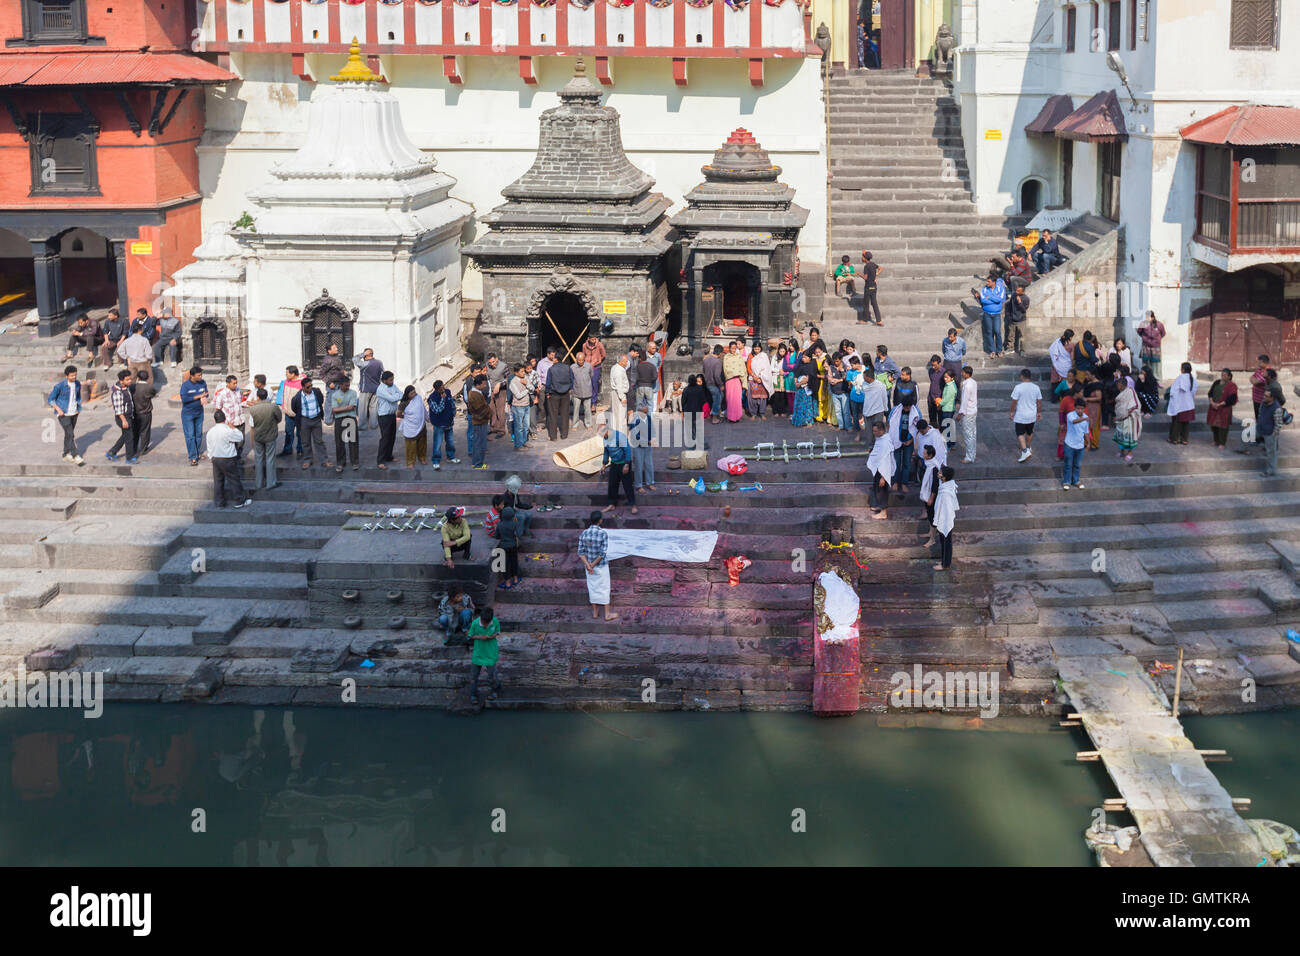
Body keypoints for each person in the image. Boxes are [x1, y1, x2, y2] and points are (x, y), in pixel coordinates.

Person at [579, 511, 619, 622]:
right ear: (600, 520)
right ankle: (607, 614)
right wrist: (592, 565)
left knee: (592, 588)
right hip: (600, 566)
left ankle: (595, 612)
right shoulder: (602, 534)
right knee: (604, 588)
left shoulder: (584, 533)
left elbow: (580, 552)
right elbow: (602, 553)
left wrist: (588, 565)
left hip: (589, 567)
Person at [207, 408, 250, 509]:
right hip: (227, 458)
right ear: (225, 419)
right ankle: (239, 500)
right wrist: (233, 428)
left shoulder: (210, 431)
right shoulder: (227, 430)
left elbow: (209, 446)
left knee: (218, 481)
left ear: (214, 420)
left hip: (215, 458)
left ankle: (219, 502)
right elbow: (240, 437)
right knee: (233, 479)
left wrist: (211, 456)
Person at [48, 365, 85, 465]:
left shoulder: (77, 384)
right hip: (63, 413)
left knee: (68, 434)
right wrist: (58, 409)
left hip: (74, 413)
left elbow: (77, 396)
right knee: (70, 434)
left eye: (75, 375)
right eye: (72, 376)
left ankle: (65, 454)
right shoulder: (59, 386)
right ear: (67, 376)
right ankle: (76, 455)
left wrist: (78, 408)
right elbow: (50, 399)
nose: (74, 377)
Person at [291, 375, 329, 470]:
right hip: (304, 420)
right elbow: (294, 407)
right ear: (303, 387)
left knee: (319, 441)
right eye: (308, 387)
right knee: (305, 442)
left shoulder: (316, 392)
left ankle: (324, 460)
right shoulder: (298, 396)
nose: (310, 388)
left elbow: (321, 401)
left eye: (311, 385)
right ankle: (308, 460)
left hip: (316, 419)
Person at [248, 387, 283, 490]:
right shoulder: (273, 407)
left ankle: (259, 483)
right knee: (270, 459)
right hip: (270, 435)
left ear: (257, 397)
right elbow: (279, 418)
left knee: (258, 459)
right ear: (266, 396)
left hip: (258, 435)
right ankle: (271, 483)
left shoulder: (253, 409)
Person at [599, 422, 637, 514]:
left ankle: (633, 505)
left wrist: (627, 464)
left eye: (602, 434)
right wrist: (604, 464)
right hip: (614, 463)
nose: (602, 436)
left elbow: (627, 450)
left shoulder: (619, 436)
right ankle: (611, 504)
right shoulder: (605, 438)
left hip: (624, 463)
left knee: (627, 485)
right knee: (612, 485)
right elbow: (606, 451)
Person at [467, 606, 502, 705]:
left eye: (487, 623)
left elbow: (497, 632)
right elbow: (470, 635)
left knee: (492, 675)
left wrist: (492, 636)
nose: (485, 625)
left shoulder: (495, 621)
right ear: (481, 618)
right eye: (484, 623)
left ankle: (495, 691)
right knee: (474, 676)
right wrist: (480, 637)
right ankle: (473, 695)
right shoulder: (475, 623)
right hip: (478, 653)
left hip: (491, 652)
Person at [1009, 368, 1042, 462]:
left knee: (1020, 433)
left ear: (1022, 376)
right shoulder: (1036, 387)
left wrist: (1011, 412)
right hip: (1032, 414)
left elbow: (1014, 402)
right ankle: (1028, 447)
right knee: (1029, 431)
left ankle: (1024, 451)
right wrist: (1039, 412)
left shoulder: (1018, 387)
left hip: (1021, 415)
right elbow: (1039, 402)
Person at [178, 366, 209, 466]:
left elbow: (206, 393)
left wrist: (205, 397)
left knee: (198, 435)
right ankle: (193, 457)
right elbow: (184, 399)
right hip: (188, 414)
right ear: (192, 376)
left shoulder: (203, 383)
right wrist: (198, 396)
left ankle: (197, 453)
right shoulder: (185, 386)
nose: (200, 377)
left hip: (199, 412)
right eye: (198, 375)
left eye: (201, 375)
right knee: (190, 436)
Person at [887, 398, 920, 492]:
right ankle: (895, 482)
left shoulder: (916, 412)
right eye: (905, 407)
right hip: (896, 440)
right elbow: (889, 423)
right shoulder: (895, 410)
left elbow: (918, 428)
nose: (907, 409)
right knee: (896, 463)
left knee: (907, 463)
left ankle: (904, 483)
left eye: (909, 407)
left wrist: (911, 441)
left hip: (909, 441)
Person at [329, 375, 360, 472]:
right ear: (340, 385)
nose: (348, 387)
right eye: (346, 385)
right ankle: (340, 462)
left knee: (353, 441)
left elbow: (352, 407)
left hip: (350, 418)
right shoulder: (335, 395)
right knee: (339, 442)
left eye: (348, 385)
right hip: (339, 420)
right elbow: (334, 410)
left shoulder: (353, 393)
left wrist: (339, 409)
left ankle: (354, 462)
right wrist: (347, 408)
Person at [213, 374, 248, 460]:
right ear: (227, 384)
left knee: (241, 441)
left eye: (236, 383)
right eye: (233, 383)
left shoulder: (238, 391)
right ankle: (232, 459)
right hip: (229, 423)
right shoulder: (221, 394)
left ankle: (238, 457)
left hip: (240, 420)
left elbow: (239, 403)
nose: (235, 385)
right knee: (231, 442)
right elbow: (218, 409)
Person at [105, 369, 137, 463]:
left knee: (125, 436)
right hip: (123, 418)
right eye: (127, 380)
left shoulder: (125, 387)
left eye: (130, 379)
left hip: (128, 416)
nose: (130, 381)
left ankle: (112, 452)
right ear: (121, 381)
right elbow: (118, 410)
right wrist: (124, 420)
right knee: (129, 438)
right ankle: (129, 458)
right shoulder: (117, 392)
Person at [932, 466, 959, 572]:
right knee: (944, 542)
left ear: (944, 477)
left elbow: (946, 509)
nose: (938, 473)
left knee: (946, 542)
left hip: (945, 520)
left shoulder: (945, 493)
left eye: (940, 473)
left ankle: (945, 564)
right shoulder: (947, 485)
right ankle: (944, 561)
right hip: (944, 519)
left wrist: (941, 520)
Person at [866, 421, 894, 519]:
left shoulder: (886, 442)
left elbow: (886, 461)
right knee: (877, 488)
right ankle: (880, 506)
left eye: (876, 431)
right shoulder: (880, 438)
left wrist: (883, 477)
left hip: (884, 471)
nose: (874, 433)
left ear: (882, 430)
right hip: (878, 469)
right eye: (873, 431)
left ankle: (884, 512)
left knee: (883, 490)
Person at [426, 380, 458, 469]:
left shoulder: (447, 392)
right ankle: (436, 460)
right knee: (438, 443)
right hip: (439, 424)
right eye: (441, 388)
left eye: (443, 387)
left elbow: (451, 402)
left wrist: (453, 412)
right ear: (437, 389)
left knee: (450, 441)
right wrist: (443, 399)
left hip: (448, 422)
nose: (443, 389)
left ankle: (451, 457)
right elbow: (437, 410)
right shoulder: (432, 398)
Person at [351, 348, 384, 431]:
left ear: (366, 355)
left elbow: (354, 359)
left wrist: (362, 354)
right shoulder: (379, 363)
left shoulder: (365, 364)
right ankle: (374, 425)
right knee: (373, 407)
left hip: (365, 388)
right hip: (376, 388)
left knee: (362, 408)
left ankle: (362, 425)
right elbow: (382, 375)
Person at [1112, 372, 1142, 461]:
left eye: (1119, 385)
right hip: (1120, 418)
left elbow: (1136, 404)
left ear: (1123, 385)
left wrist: (1128, 413)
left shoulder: (1130, 392)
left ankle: (1130, 453)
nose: (1118, 386)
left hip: (1129, 419)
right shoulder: (1121, 393)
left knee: (1128, 437)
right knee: (1120, 436)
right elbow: (1119, 406)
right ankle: (1121, 451)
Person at [375, 371, 402, 469]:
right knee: (385, 438)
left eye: (393, 379)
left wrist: (395, 396)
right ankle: (380, 460)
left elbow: (401, 394)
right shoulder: (381, 389)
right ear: (384, 380)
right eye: (390, 380)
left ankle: (389, 456)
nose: (392, 381)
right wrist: (396, 396)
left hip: (391, 415)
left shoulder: (393, 386)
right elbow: (391, 399)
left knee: (392, 437)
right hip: (384, 416)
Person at [277, 366, 304, 458]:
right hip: (288, 412)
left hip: (299, 414)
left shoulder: (302, 383)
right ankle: (287, 449)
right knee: (288, 432)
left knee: (300, 433)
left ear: (293, 374)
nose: (286, 375)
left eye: (287, 373)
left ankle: (300, 450)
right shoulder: (285, 382)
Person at [397, 385, 428, 467]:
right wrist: (407, 418)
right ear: (407, 395)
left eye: (414, 392)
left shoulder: (418, 398)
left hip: (421, 425)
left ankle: (422, 458)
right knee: (411, 445)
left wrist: (427, 417)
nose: (414, 394)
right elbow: (398, 414)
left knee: (422, 443)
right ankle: (410, 461)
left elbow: (423, 409)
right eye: (412, 393)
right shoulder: (403, 403)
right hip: (410, 427)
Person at [544, 357, 574, 442]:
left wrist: (547, 392)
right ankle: (564, 434)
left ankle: (553, 436)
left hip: (554, 394)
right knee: (565, 414)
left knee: (553, 415)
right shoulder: (568, 368)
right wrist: (569, 388)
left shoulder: (551, 369)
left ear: (556, 359)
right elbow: (572, 380)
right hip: (565, 394)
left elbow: (548, 382)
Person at [976, 275, 1006, 357]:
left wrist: (989, 297)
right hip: (987, 314)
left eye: (989, 281)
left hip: (996, 314)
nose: (987, 283)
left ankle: (999, 350)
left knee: (997, 331)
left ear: (994, 282)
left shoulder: (1000, 289)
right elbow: (983, 300)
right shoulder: (984, 289)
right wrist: (994, 300)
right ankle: (992, 350)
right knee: (989, 332)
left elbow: (1000, 299)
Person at [317, 343, 347, 425]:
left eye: (336, 347)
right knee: (330, 402)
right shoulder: (327, 360)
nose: (337, 349)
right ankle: (328, 420)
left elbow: (338, 369)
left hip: (339, 383)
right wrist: (329, 382)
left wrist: (342, 372)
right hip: (332, 385)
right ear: (329, 351)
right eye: (334, 348)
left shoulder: (337, 357)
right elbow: (321, 374)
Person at [1167, 362, 1196, 445]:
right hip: (1188, 404)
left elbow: (1177, 390)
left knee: (1177, 422)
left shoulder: (1181, 377)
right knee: (1185, 423)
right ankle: (1184, 439)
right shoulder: (1192, 378)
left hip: (1180, 404)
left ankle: (1174, 439)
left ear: (1183, 369)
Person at [130, 368, 157, 457]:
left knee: (135, 431)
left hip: (135, 412)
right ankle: (143, 449)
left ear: (138, 377)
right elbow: (153, 394)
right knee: (145, 431)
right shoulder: (149, 387)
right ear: (147, 378)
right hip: (146, 412)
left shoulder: (133, 387)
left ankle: (133, 448)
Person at [1063, 395, 1088, 489]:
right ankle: (1066, 482)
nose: (1080, 411)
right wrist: (1084, 419)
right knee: (1068, 464)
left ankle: (1076, 481)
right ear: (1075, 408)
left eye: (1082, 409)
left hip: (1080, 445)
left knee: (1077, 465)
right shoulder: (1070, 415)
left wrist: (1088, 443)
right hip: (1069, 444)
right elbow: (1074, 421)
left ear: (1084, 409)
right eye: (1078, 408)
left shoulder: (1086, 417)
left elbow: (1086, 432)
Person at [466, 374, 491, 469]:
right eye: (484, 384)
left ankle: (477, 462)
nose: (485, 386)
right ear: (478, 384)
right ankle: (477, 463)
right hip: (479, 421)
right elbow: (480, 410)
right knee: (479, 443)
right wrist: (489, 413)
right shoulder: (474, 394)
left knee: (479, 442)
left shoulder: (477, 392)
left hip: (480, 421)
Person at [629, 402, 655, 494]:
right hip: (638, 446)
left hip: (648, 446)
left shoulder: (648, 418)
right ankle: (638, 485)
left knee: (649, 465)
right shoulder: (634, 421)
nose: (646, 413)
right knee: (639, 466)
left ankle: (650, 482)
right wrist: (647, 441)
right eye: (644, 412)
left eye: (647, 411)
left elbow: (652, 430)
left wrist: (653, 438)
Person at [955, 365, 978, 463]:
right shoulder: (973, 382)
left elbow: (964, 401)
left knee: (968, 435)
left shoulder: (967, 385)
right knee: (972, 434)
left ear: (967, 374)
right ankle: (972, 454)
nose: (961, 373)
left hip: (967, 412)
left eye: (963, 372)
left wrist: (960, 414)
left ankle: (969, 457)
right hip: (973, 411)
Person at [496, 504, 522, 591]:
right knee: (514, 561)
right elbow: (518, 533)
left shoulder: (499, 524)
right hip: (513, 546)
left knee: (505, 565)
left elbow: (497, 536)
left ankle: (507, 583)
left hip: (504, 547)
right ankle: (515, 579)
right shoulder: (514, 523)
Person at [508, 364, 532, 449]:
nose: (523, 373)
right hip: (518, 407)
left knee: (526, 425)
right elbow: (518, 395)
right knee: (519, 427)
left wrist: (528, 385)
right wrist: (527, 389)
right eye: (521, 371)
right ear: (516, 373)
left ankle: (524, 441)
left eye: (523, 371)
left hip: (526, 405)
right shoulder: (513, 382)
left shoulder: (526, 379)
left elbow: (532, 388)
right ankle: (518, 445)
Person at [722, 341, 747, 423]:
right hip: (729, 380)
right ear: (729, 348)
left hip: (737, 380)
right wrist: (735, 372)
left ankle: (737, 416)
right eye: (732, 348)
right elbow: (726, 369)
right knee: (730, 398)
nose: (733, 350)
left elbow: (743, 369)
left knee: (737, 399)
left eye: (734, 348)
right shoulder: (726, 357)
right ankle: (730, 417)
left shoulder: (739, 357)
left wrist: (744, 381)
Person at [1137, 311, 1166, 380]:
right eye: (1146, 316)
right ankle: (1146, 377)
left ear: (1152, 317)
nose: (1147, 318)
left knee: (1156, 363)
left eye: (1149, 317)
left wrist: (1156, 340)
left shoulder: (1159, 324)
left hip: (1155, 347)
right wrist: (1145, 338)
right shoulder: (1143, 324)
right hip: (1146, 346)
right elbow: (1139, 332)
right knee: (1145, 363)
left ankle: (1157, 379)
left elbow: (1163, 333)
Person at [1250, 355, 1271, 447]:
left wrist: (1254, 380)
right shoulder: (1259, 370)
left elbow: (1256, 381)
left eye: (1259, 362)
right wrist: (1254, 380)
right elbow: (1251, 378)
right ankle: (1259, 437)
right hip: (1256, 398)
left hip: (1262, 399)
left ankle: (1263, 439)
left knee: (1263, 419)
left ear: (1264, 362)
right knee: (1258, 418)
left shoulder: (1268, 372)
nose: (1258, 364)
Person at [570, 351, 595, 430]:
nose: (580, 362)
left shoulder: (589, 366)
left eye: (582, 360)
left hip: (587, 391)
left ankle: (588, 424)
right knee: (576, 409)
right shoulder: (572, 367)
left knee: (587, 409)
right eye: (579, 360)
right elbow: (571, 378)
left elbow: (591, 375)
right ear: (576, 359)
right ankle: (575, 425)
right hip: (576, 391)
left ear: (584, 359)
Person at [1048, 329, 1074, 403]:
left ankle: (1054, 399)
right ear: (1070, 337)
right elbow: (1072, 358)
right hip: (1066, 367)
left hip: (1056, 366)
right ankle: (1064, 399)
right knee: (1065, 383)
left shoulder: (1057, 343)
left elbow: (1053, 353)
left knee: (1055, 383)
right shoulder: (1071, 345)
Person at [1258, 390, 1280, 476]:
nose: (1264, 397)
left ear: (1272, 398)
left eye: (1266, 396)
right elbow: (1260, 413)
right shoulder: (1263, 403)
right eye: (1264, 395)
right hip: (1261, 428)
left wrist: (1274, 435)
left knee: (1271, 452)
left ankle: (1271, 470)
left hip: (1270, 432)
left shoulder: (1277, 408)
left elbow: (1278, 424)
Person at [583, 333, 607, 406]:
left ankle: (593, 402)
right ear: (589, 339)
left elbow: (603, 354)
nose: (594, 341)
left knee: (594, 384)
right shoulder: (584, 345)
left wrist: (598, 360)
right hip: (587, 367)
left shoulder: (599, 344)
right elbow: (584, 355)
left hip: (596, 367)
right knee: (587, 384)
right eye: (592, 339)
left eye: (595, 339)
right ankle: (588, 401)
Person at [859, 250, 882, 324]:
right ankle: (879, 320)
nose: (861, 258)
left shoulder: (866, 266)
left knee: (866, 303)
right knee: (874, 303)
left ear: (865, 258)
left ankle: (865, 320)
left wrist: (859, 274)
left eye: (862, 256)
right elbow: (880, 268)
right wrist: (876, 275)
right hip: (874, 287)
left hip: (868, 287)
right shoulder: (873, 264)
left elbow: (865, 278)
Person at [1004, 286, 1029, 355]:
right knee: (1010, 335)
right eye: (1016, 290)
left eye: (1018, 291)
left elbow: (1024, 310)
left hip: (1021, 320)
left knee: (1022, 336)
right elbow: (1009, 305)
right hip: (1012, 319)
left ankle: (1022, 350)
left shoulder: (1026, 298)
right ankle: (1010, 348)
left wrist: (1020, 302)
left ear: (1023, 292)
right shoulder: (1014, 295)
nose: (1016, 292)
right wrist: (1009, 315)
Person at [610, 352, 631, 428]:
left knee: (617, 414)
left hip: (616, 393)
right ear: (621, 362)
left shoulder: (616, 367)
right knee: (620, 414)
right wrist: (622, 397)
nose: (627, 363)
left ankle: (617, 430)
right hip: (619, 393)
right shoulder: (618, 371)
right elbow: (619, 385)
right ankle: (619, 431)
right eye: (626, 361)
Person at [939, 369, 958, 447]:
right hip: (948, 408)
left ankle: (948, 445)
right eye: (944, 377)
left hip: (948, 409)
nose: (945, 379)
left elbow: (946, 399)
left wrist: (939, 404)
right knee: (949, 426)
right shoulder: (949, 384)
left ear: (952, 378)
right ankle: (951, 444)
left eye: (947, 377)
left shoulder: (951, 387)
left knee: (947, 428)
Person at [926, 355, 945, 427]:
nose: (933, 367)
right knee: (932, 420)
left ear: (939, 363)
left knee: (941, 420)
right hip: (931, 398)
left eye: (935, 365)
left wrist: (941, 400)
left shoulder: (944, 373)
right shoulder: (930, 371)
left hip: (939, 399)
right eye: (932, 365)